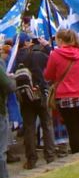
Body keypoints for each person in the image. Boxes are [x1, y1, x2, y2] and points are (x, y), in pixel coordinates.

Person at [43, 29, 79, 155]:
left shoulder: (55, 54)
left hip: (66, 95)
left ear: (60, 40)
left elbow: (48, 75)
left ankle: (77, 154)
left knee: (73, 128)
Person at [14, 34, 57, 169]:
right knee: (47, 125)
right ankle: (50, 156)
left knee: (29, 128)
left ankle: (31, 159)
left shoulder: (18, 58)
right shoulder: (42, 56)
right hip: (42, 93)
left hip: (26, 96)